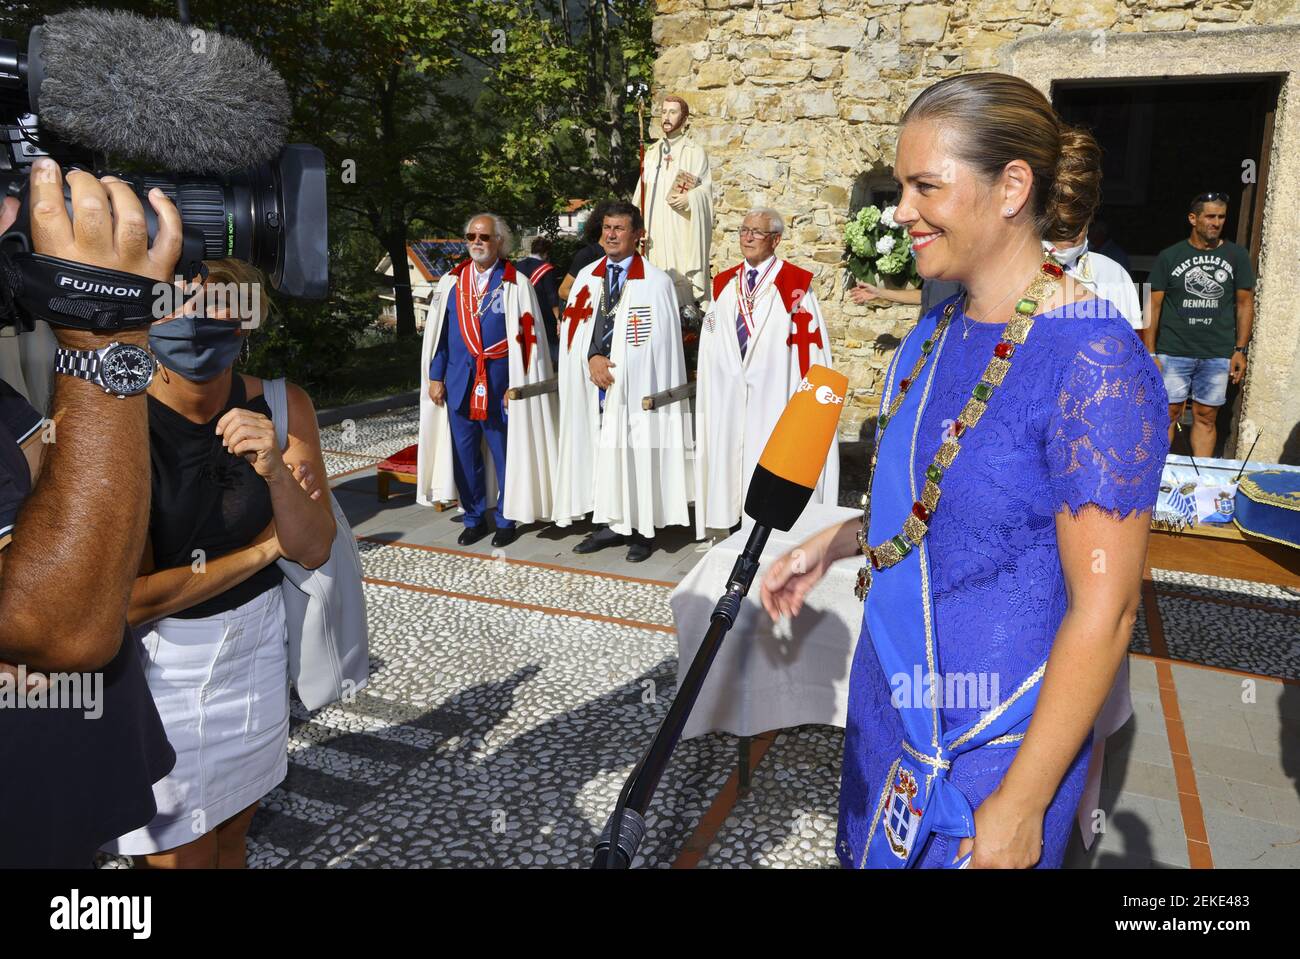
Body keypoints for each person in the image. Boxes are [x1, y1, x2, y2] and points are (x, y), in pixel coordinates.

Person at [761, 73, 1168, 869]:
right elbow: (941, 500)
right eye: (900, 186)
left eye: (924, 186)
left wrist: (1020, 804)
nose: (900, 209)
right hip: (889, 701)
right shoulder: (935, 328)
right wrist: (837, 542)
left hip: (995, 742)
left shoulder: (1095, 358)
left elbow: (1107, 609)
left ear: (1012, 185)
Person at [103, 258, 335, 868]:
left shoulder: (285, 406)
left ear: (247, 320)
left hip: (257, 651)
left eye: (216, 304)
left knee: (233, 835)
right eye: (176, 302)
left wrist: (275, 470)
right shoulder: (117, 418)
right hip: (161, 669)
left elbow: (312, 545)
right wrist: (262, 549)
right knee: (176, 851)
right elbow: (128, 602)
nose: (195, 318)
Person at [0, 160, 181, 867]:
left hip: (63, 809)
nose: (26, 217)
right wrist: (106, 331)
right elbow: (66, 626)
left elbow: (95, 543)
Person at [553, 201, 691, 563]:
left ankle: (643, 530)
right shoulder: (586, 277)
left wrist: (624, 370)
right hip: (593, 384)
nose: (610, 235)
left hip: (635, 387)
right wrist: (591, 358)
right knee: (603, 454)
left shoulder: (656, 283)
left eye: (619, 228)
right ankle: (612, 523)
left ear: (637, 235)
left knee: (636, 452)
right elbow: (574, 331)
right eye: (606, 228)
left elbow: (660, 347)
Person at [694, 207, 840, 539]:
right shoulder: (725, 284)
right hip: (730, 392)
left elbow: (810, 345)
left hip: (775, 391)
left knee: (766, 455)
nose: (747, 237)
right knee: (727, 454)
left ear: (775, 239)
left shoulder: (795, 285)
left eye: (756, 232)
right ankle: (727, 524)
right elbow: (713, 339)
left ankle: (763, 531)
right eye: (743, 230)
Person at [420, 213, 557, 547]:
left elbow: (530, 340)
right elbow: (440, 334)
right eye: (471, 237)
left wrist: (520, 384)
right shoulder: (451, 282)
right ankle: (473, 516)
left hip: (501, 385)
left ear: (499, 241)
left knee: (504, 452)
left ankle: (506, 517)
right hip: (458, 383)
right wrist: (435, 376)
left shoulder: (515, 283)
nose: (477, 243)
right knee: (464, 453)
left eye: (484, 237)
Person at [1144, 192, 1256, 457]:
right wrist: (1150, 352)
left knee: (1206, 416)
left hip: (1216, 351)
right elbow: (1152, 305)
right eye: (1210, 216)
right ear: (1193, 219)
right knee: (1168, 413)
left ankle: (1200, 482)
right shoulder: (1170, 256)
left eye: (1221, 217)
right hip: (1173, 349)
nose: (1216, 223)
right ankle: (1159, 477)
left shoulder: (1236, 256)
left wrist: (1240, 349)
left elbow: (1244, 303)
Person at [631, 95, 713, 307]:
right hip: (654, 227)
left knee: (679, 278)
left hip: (680, 226)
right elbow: (641, 192)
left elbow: (705, 190)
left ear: (684, 118)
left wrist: (690, 198)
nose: (666, 117)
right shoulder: (652, 153)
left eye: (673, 112)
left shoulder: (694, 152)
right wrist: (635, 227)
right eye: (664, 112)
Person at [559, 200, 614, 304]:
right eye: (608, 226)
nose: (613, 232)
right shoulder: (587, 254)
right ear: (601, 225)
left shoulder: (623, 255)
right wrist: (591, 304)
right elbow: (563, 290)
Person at [517, 236, 562, 359]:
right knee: (552, 351)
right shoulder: (546, 269)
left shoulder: (517, 266)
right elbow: (552, 296)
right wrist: (558, 319)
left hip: (521, 313)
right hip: (543, 315)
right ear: (545, 253)